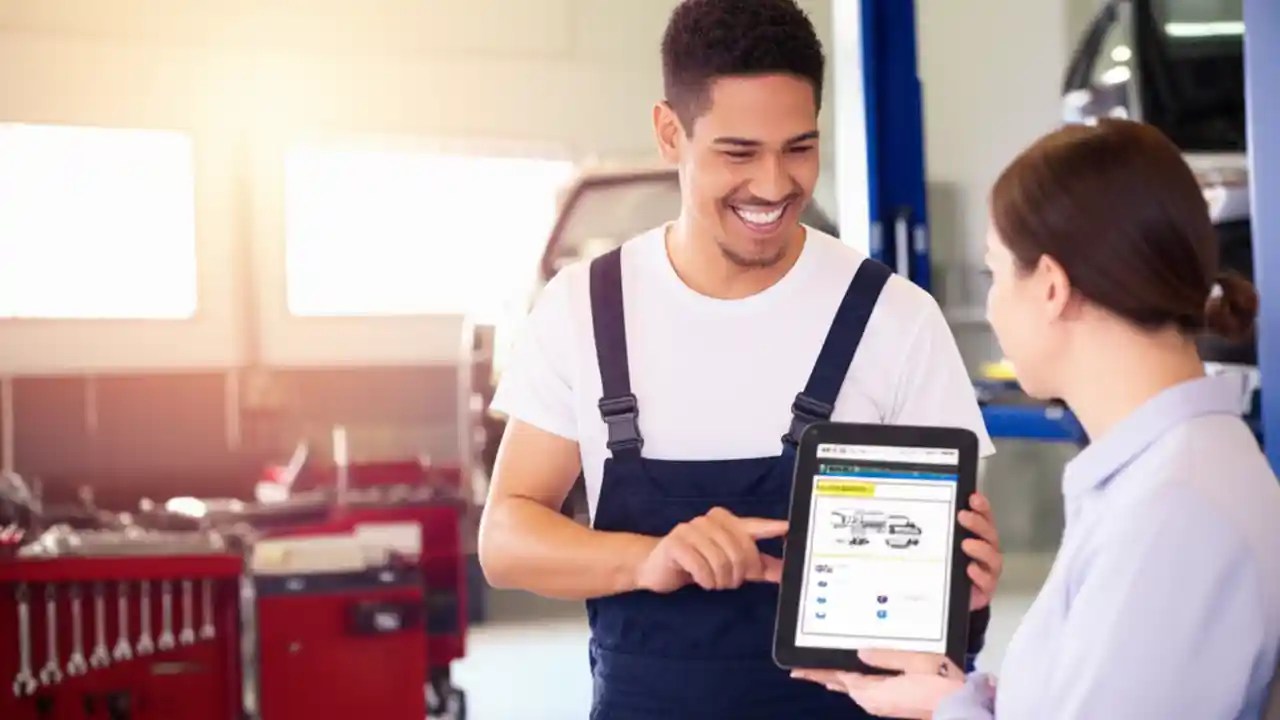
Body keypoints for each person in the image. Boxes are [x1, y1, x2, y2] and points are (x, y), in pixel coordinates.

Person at [479, 0, 1005, 717]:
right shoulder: (586, 309)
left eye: (798, 147)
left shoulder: (893, 316)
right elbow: (506, 536)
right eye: (738, 152)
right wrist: (648, 558)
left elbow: (948, 601)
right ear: (670, 133)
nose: (774, 184)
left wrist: (964, 601)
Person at [795, 119, 1280, 719]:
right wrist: (957, 693)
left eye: (995, 274)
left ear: (1051, 286)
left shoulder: (1175, 511)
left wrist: (950, 711)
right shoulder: (1176, 472)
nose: (993, 305)